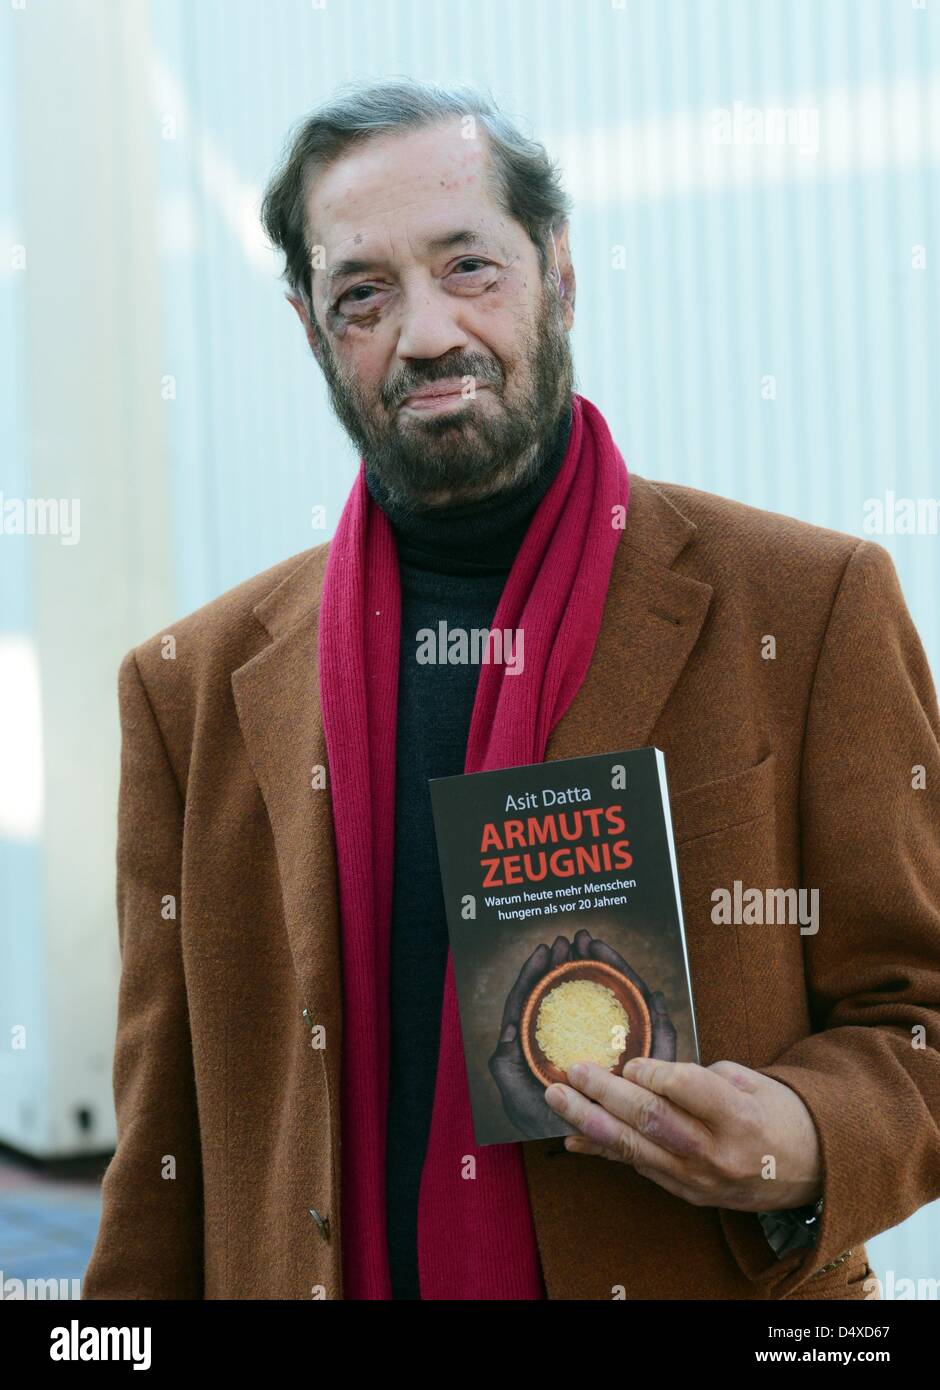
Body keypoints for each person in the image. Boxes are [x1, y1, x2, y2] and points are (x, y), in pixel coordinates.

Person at [83, 77, 940, 1301]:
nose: (425, 333)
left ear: (559, 269)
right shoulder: (192, 691)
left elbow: (923, 1012)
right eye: (362, 294)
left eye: (468, 266)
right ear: (311, 328)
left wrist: (804, 1137)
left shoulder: (806, 608)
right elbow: (162, 1152)